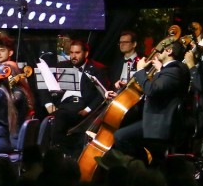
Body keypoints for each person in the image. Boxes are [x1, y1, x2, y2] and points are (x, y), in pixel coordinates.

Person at [112, 38, 191, 166]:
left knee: (121, 137)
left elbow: (152, 90)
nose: (157, 52)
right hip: (154, 120)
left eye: (161, 51)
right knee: (155, 159)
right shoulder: (170, 70)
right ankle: (143, 167)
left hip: (159, 124)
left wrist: (140, 71)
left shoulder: (174, 71)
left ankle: (139, 167)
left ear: (169, 51)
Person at [41, 39, 109, 156]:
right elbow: (44, 85)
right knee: (54, 119)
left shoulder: (97, 68)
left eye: (77, 53)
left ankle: (56, 152)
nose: (73, 56)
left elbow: (101, 94)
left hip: (81, 106)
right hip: (63, 105)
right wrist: (48, 104)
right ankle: (59, 151)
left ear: (86, 54)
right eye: (71, 52)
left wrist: (87, 110)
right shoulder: (62, 66)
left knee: (59, 118)